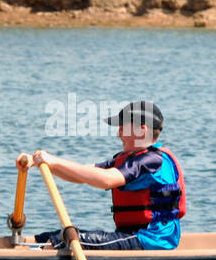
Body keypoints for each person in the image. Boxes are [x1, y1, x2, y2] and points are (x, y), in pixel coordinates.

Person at [20, 100, 186, 250]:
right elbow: (82, 174)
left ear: (142, 131)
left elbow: (106, 180)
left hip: (151, 240)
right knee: (48, 237)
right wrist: (43, 163)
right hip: (131, 236)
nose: (118, 134)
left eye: (122, 129)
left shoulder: (152, 160)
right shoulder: (126, 160)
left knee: (64, 241)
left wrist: (54, 161)